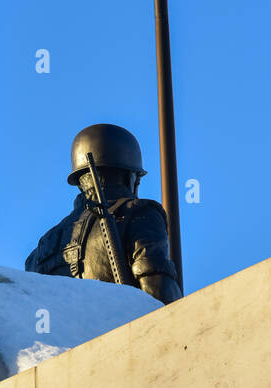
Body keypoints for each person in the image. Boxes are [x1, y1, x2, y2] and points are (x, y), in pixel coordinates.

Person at [25, 124, 182, 304]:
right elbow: (160, 297)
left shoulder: (41, 249)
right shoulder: (140, 213)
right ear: (130, 177)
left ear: (79, 180)